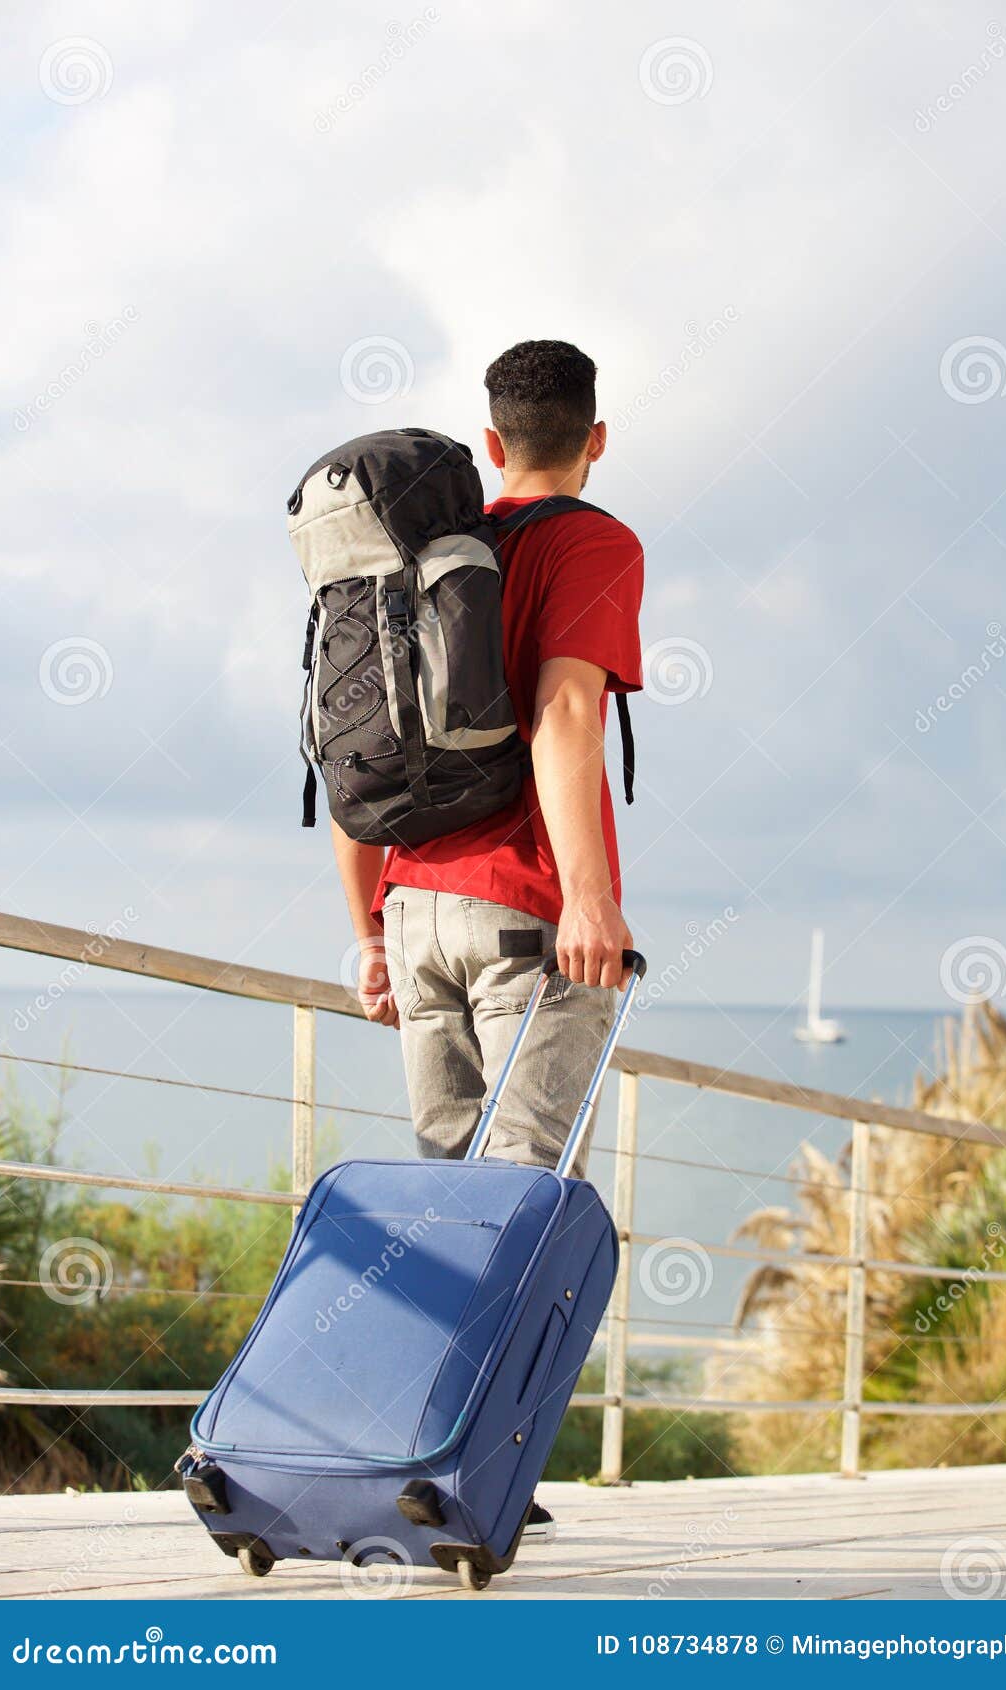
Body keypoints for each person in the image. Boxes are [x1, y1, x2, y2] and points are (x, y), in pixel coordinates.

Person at [332, 347, 643, 1539]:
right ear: (594, 438)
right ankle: (457, 1476)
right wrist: (589, 898)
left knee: (442, 1210)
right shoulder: (591, 543)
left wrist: (367, 928)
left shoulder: (410, 553)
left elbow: (350, 753)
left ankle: (423, 1454)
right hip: (524, 912)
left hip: (412, 912)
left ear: (492, 441)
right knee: (518, 1207)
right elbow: (565, 708)